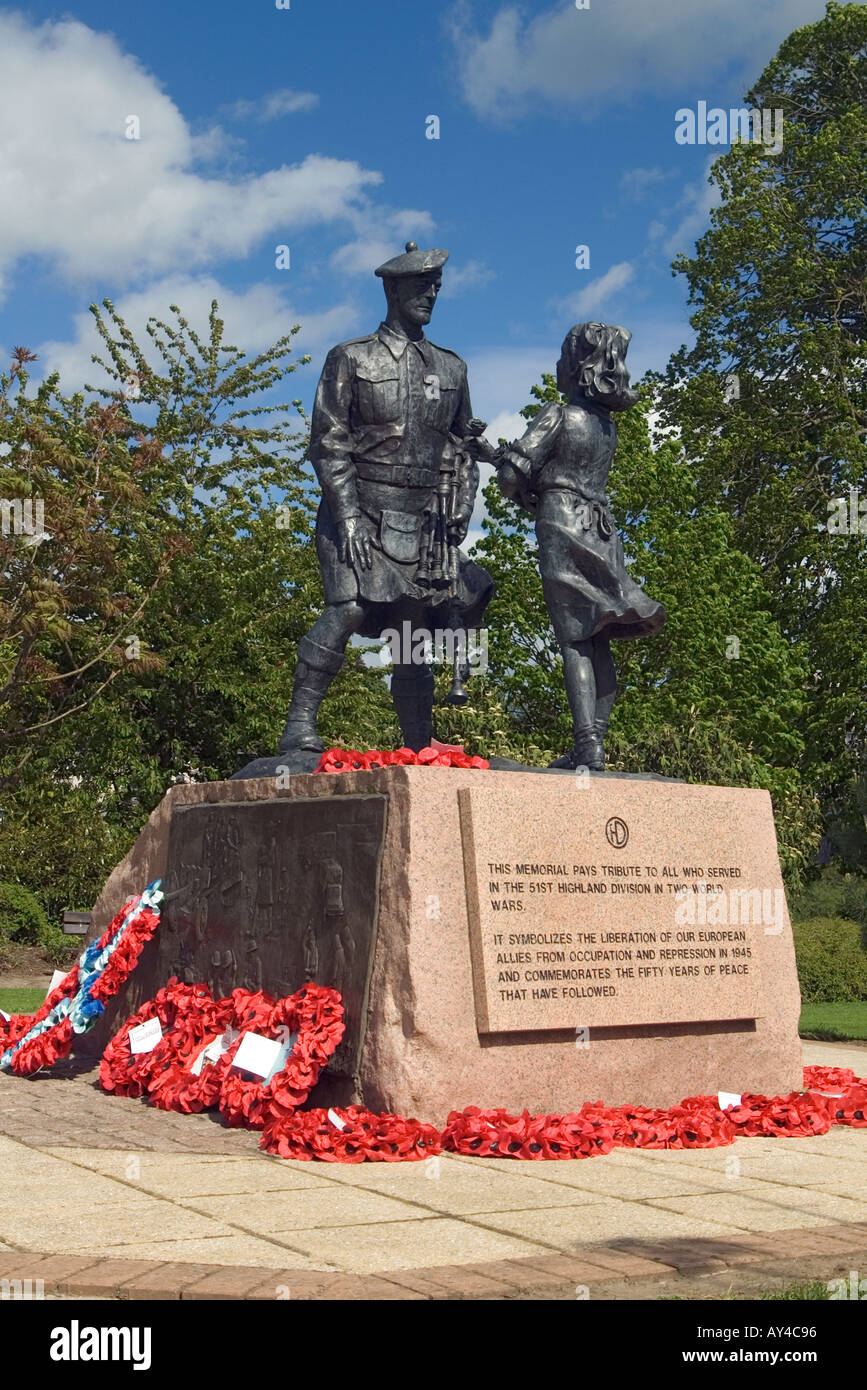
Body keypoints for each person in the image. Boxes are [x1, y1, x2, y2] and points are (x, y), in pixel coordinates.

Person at [279, 242, 493, 754]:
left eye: (436, 287)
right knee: (349, 609)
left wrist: (463, 506)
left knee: (412, 630)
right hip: (359, 510)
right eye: (421, 286)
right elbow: (328, 443)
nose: (431, 294)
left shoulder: (452, 369)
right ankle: (299, 726)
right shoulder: (351, 358)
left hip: (423, 521)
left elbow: (463, 447)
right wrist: (348, 516)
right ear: (393, 290)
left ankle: (417, 745)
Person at [495, 322, 666, 770]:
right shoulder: (607, 427)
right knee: (599, 635)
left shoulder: (557, 414)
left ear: (575, 366)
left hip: (562, 524)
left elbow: (510, 477)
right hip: (602, 530)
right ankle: (596, 741)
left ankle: (587, 742)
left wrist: (522, 488)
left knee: (574, 638)